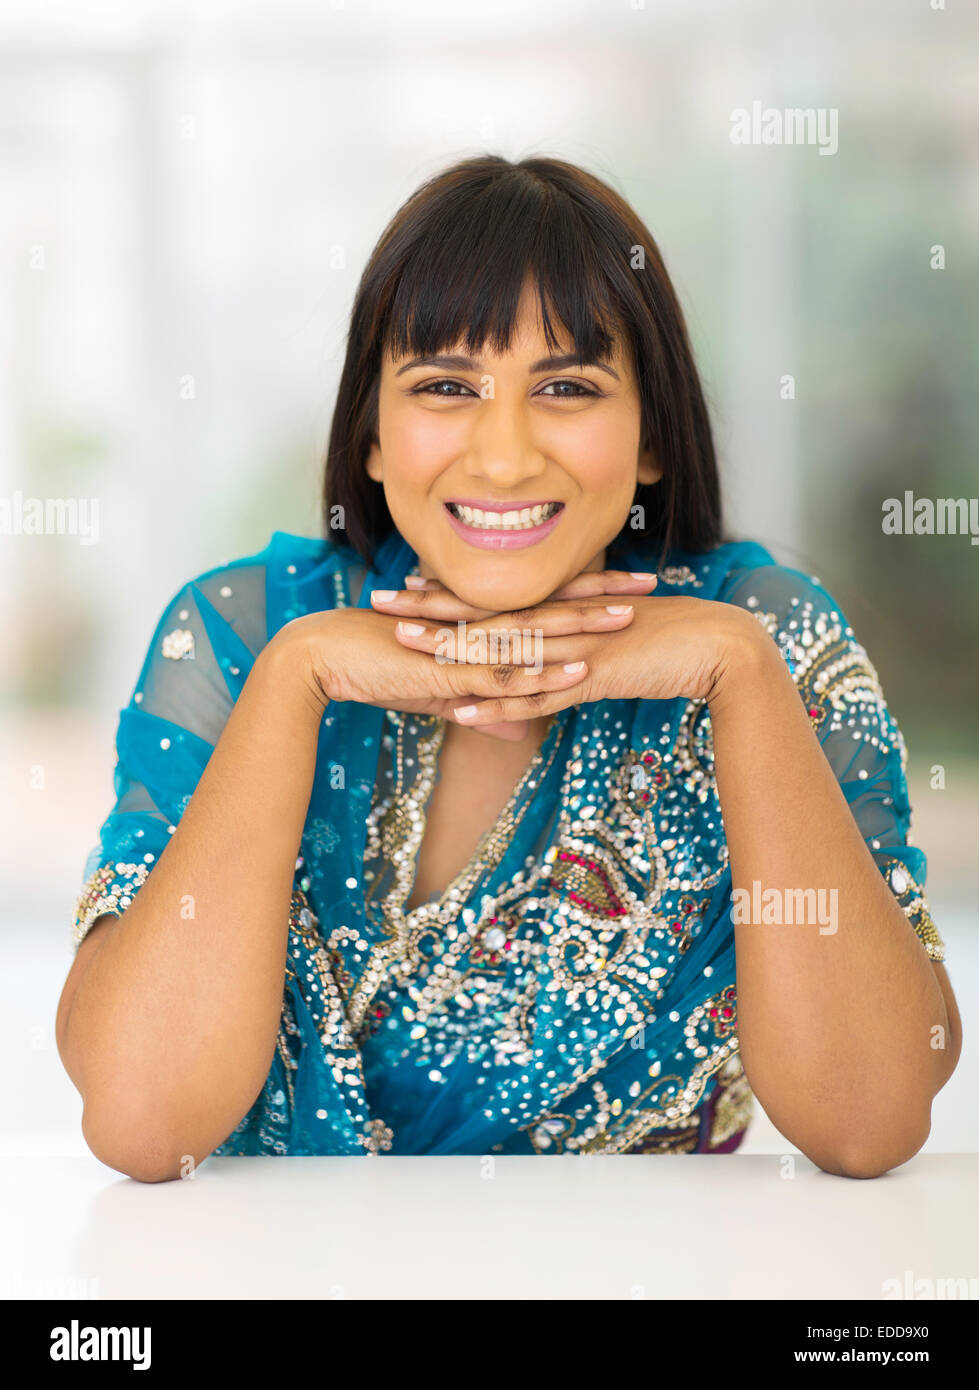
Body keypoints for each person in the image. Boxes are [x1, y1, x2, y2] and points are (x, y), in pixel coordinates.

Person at [56, 154, 961, 1178]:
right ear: (372, 437)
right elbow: (140, 1118)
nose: (501, 456)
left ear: (652, 435)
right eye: (445, 386)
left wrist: (736, 673)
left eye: (566, 387)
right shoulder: (245, 633)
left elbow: (869, 1119)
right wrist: (296, 678)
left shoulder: (767, 638)